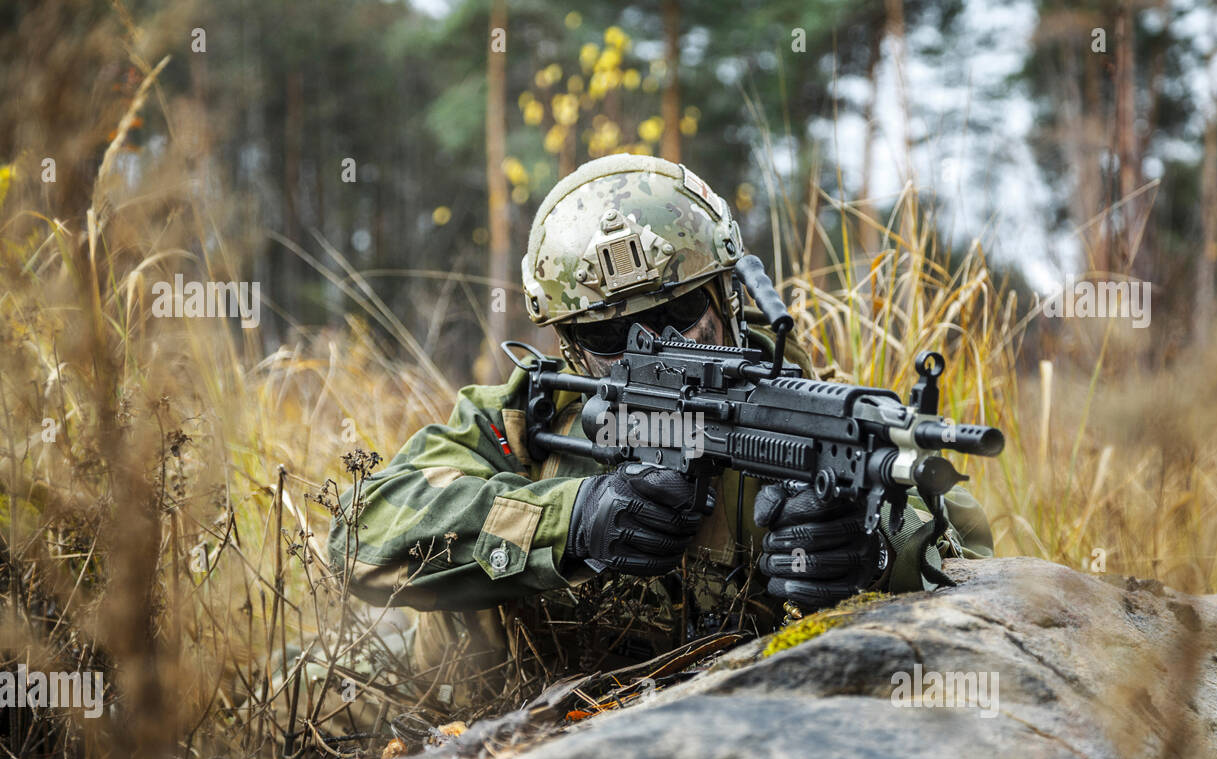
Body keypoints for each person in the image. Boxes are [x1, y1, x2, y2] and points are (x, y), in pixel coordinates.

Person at [327, 154, 993, 705]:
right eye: (611, 333)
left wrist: (874, 549)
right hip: (465, 731)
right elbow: (359, 533)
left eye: (680, 313)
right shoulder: (527, 418)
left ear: (728, 297)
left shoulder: (804, 422)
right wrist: (573, 520)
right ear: (571, 345)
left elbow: (966, 557)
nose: (653, 349)